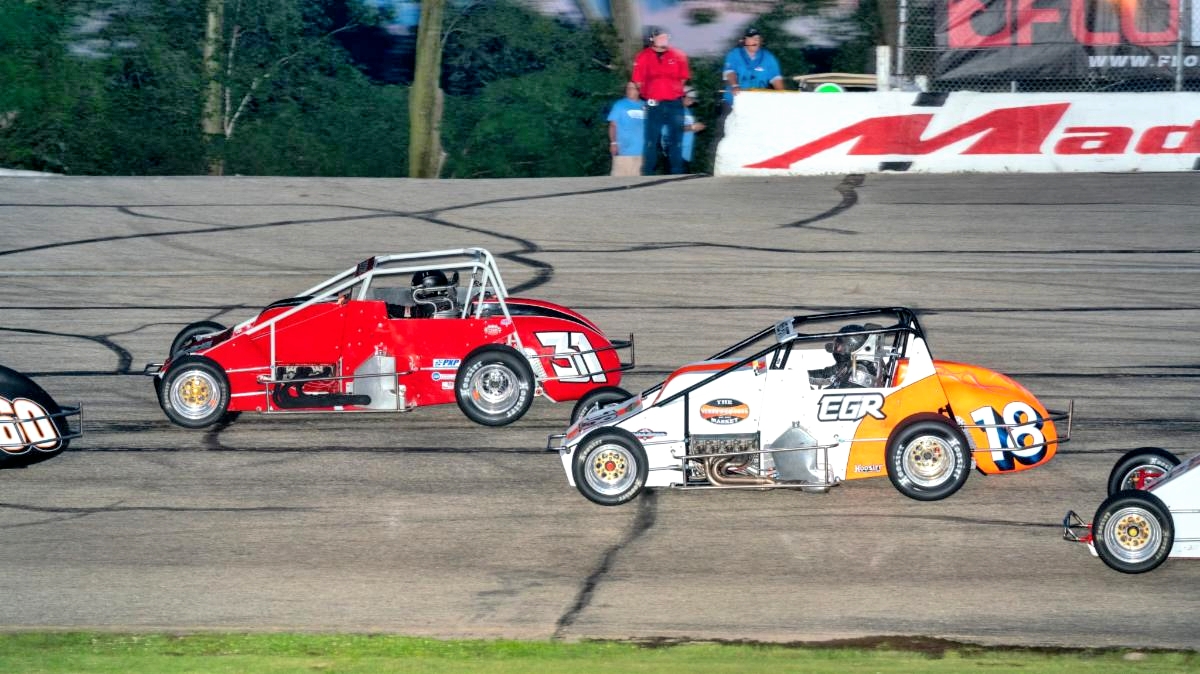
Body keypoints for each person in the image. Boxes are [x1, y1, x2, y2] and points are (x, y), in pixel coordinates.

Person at [631, 26, 690, 175]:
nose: (664, 39)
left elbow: (683, 78)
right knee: (651, 140)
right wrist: (650, 93)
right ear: (652, 38)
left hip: (674, 103)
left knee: (676, 139)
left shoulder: (678, 54)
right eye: (660, 37)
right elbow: (638, 81)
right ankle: (648, 173)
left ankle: (677, 173)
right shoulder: (643, 56)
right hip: (654, 103)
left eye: (666, 37)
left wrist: (672, 91)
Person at [721, 27, 785, 110]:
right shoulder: (734, 54)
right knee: (726, 116)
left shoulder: (768, 57)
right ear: (745, 41)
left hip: (758, 103)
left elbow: (776, 78)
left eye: (757, 38)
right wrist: (735, 85)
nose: (755, 41)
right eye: (751, 38)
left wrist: (782, 96)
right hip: (734, 101)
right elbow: (729, 72)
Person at [661, 87, 705, 172]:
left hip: (685, 153)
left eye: (693, 99)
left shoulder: (687, 110)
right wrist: (692, 127)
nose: (692, 101)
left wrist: (695, 128)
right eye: (690, 98)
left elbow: (686, 127)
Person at [607, 82, 646, 177]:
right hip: (624, 151)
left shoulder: (646, 106)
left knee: (639, 182)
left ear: (639, 91)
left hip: (642, 152)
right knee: (619, 180)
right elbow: (612, 125)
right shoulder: (619, 105)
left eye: (631, 88)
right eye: (627, 88)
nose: (628, 90)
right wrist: (613, 143)